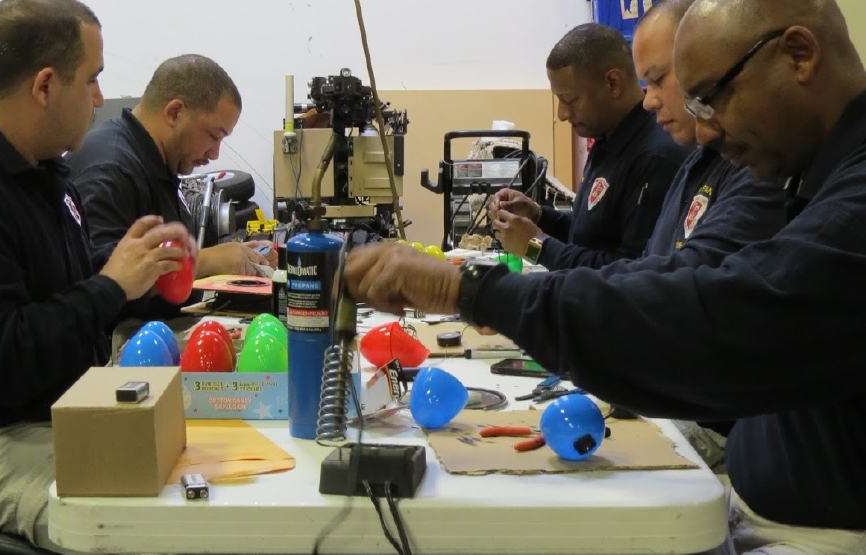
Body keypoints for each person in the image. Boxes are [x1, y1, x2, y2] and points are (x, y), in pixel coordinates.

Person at [345, 0, 866, 552]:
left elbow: (713, 314)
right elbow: (672, 277)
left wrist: (467, 289)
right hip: (759, 508)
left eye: (712, 95)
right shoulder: (806, 173)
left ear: (798, 56)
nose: (704, 126)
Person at [0, 0, 194, 549]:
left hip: (29, 421)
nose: (100, 99)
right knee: (146, 526)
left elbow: (58, 293)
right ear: (45, 86)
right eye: (92, 80)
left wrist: (132, 267)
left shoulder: (42, 174)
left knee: (185, 463)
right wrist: (109, 285)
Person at [493, 0, 790, 471]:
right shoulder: (688, 157)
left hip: (704, 415)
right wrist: (544, 220)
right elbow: (625, 255)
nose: (652, 101)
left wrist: (526, 260)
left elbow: (657, 278)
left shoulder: (683, 158)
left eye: (659, 80)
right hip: (663, 381)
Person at [66, 54, 273, 318]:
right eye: (213, 136)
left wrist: (240, 260)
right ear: (175, 112)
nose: (215, 154)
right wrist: (206, 261)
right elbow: (104, 283)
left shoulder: (159, 164)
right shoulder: (109, 169)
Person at [491, 23, 691, 270]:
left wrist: (536, 246)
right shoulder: (609, 139)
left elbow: (632, 272)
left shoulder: (655, 157)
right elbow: (590, 236)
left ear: (613, 83)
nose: (562, 114)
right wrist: (538, 215)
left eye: (569, 100)